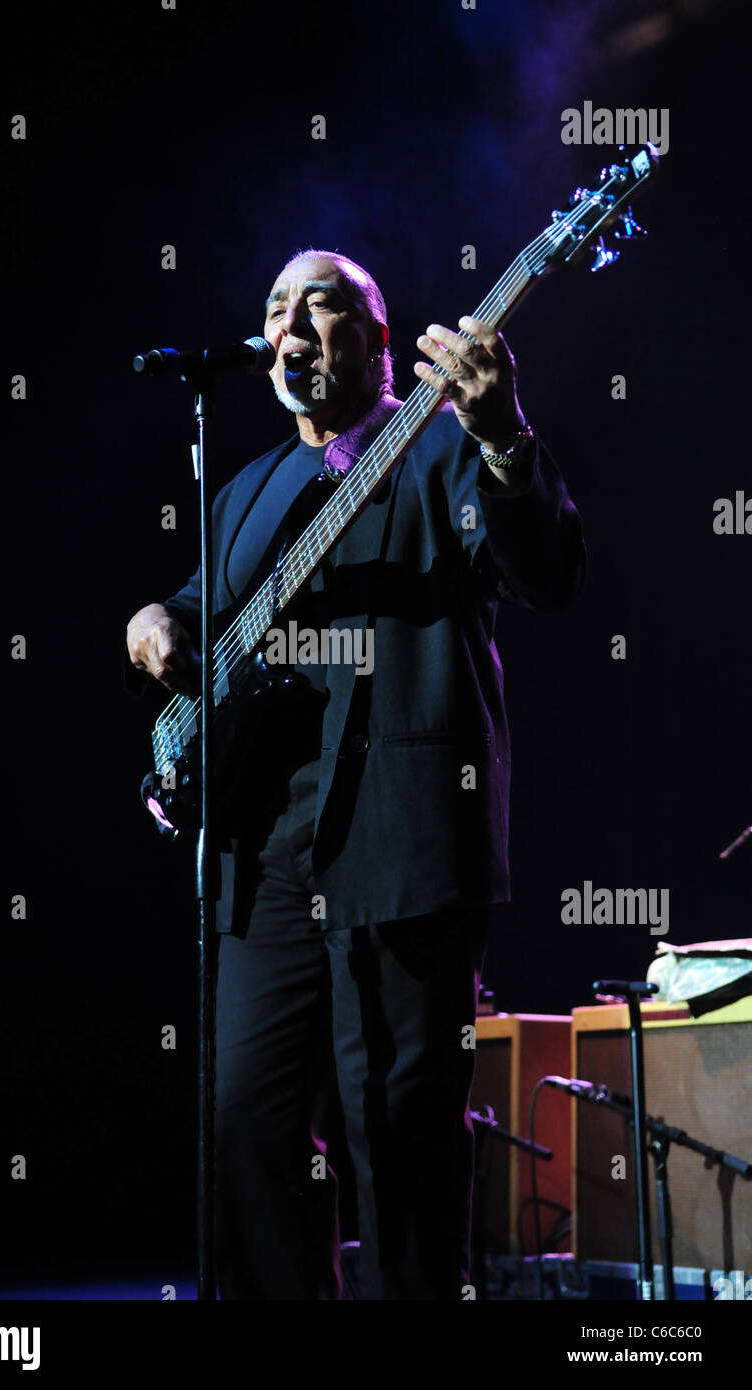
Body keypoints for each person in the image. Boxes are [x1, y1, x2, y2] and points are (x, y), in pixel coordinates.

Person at [126, 249, 585, 1299]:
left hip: (402, 838)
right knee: (250, 1122)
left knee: (398, 1126)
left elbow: (548, 568)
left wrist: (501, 435)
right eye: (275, 306)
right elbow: (193, 617)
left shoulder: (436, 442)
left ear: (378, 345)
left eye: (321, 306)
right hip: (265, 855)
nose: (290, 323)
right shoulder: (247, 491)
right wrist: (148, 624)